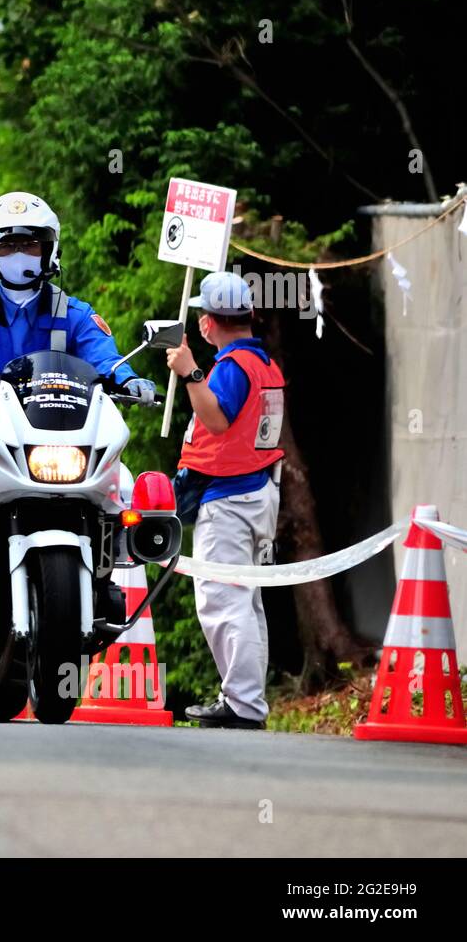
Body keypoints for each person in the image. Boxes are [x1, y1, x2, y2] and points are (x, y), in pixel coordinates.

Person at [0, 191, 155, 479]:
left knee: (123, 497)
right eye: (6, 246)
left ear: (50, 250)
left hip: (62, 446)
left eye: (30, 245)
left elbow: (105, 358)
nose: (18, 254)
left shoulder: (74, 313)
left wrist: (128, 379)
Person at [165, 271, 285, 730]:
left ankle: (243, 705)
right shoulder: (262, 363)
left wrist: (191, 372)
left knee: (223, 600)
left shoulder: (233, 366)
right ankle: (244, 701)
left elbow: (215, 420)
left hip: (232, 500)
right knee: (244, 602)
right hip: (255, 493)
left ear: (208, 322)